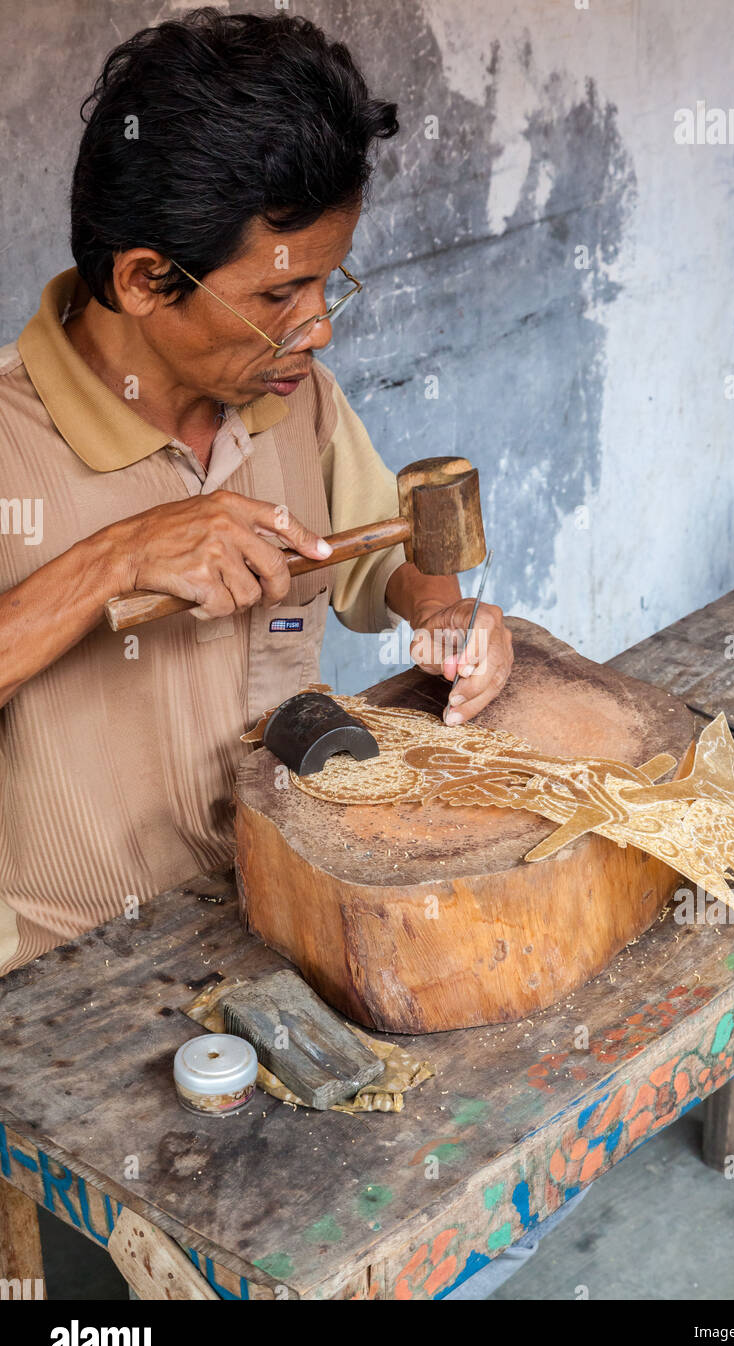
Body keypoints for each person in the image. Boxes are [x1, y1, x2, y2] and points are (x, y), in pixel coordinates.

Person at [0, 10, 513, 972]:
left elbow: (385, 560)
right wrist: (118, 555)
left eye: (329, 284)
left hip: (285, 908)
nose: (318, 331)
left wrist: (448, 616)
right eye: (279, 295)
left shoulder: (291, 397)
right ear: (148, 279)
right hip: (64, 987)